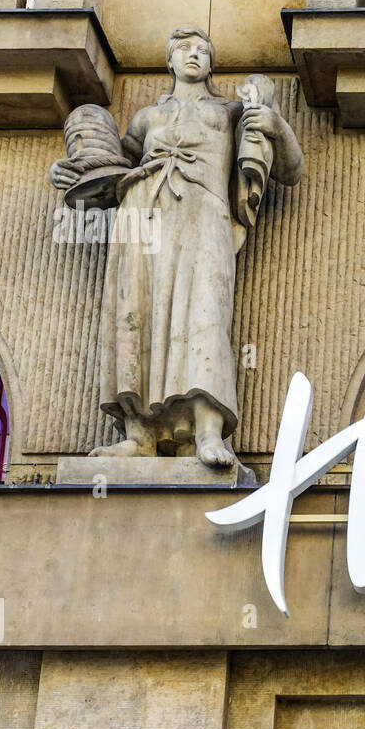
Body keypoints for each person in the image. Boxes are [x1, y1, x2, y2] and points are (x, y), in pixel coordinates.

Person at [50, 27, 302, 467]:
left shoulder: (231, 111)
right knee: (136, 317)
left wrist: (277, 127)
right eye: (184, 49)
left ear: (211, 65)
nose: (194, 55)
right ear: (168, 61)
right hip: (144, 215)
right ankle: (138, 433)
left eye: (204, 50)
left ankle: (208, 432)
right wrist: (72, 173)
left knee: (203, 315)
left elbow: (291, 170)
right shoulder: (147, 118)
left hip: (205, 218)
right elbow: (109, 172)